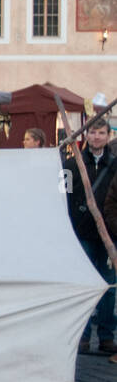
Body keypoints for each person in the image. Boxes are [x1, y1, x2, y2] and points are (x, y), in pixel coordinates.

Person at [64, 119, 117, 354]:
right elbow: (62, 196)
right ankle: (82, 336)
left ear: (108, 136)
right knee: (83, 285)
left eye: (101, 133)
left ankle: (106, 336)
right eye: (93, 132)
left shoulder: (115, 165)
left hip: (109, 233)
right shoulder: (71, 164)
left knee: (108, 286)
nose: (96, 137)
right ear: (86, 136)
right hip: (80, 232)